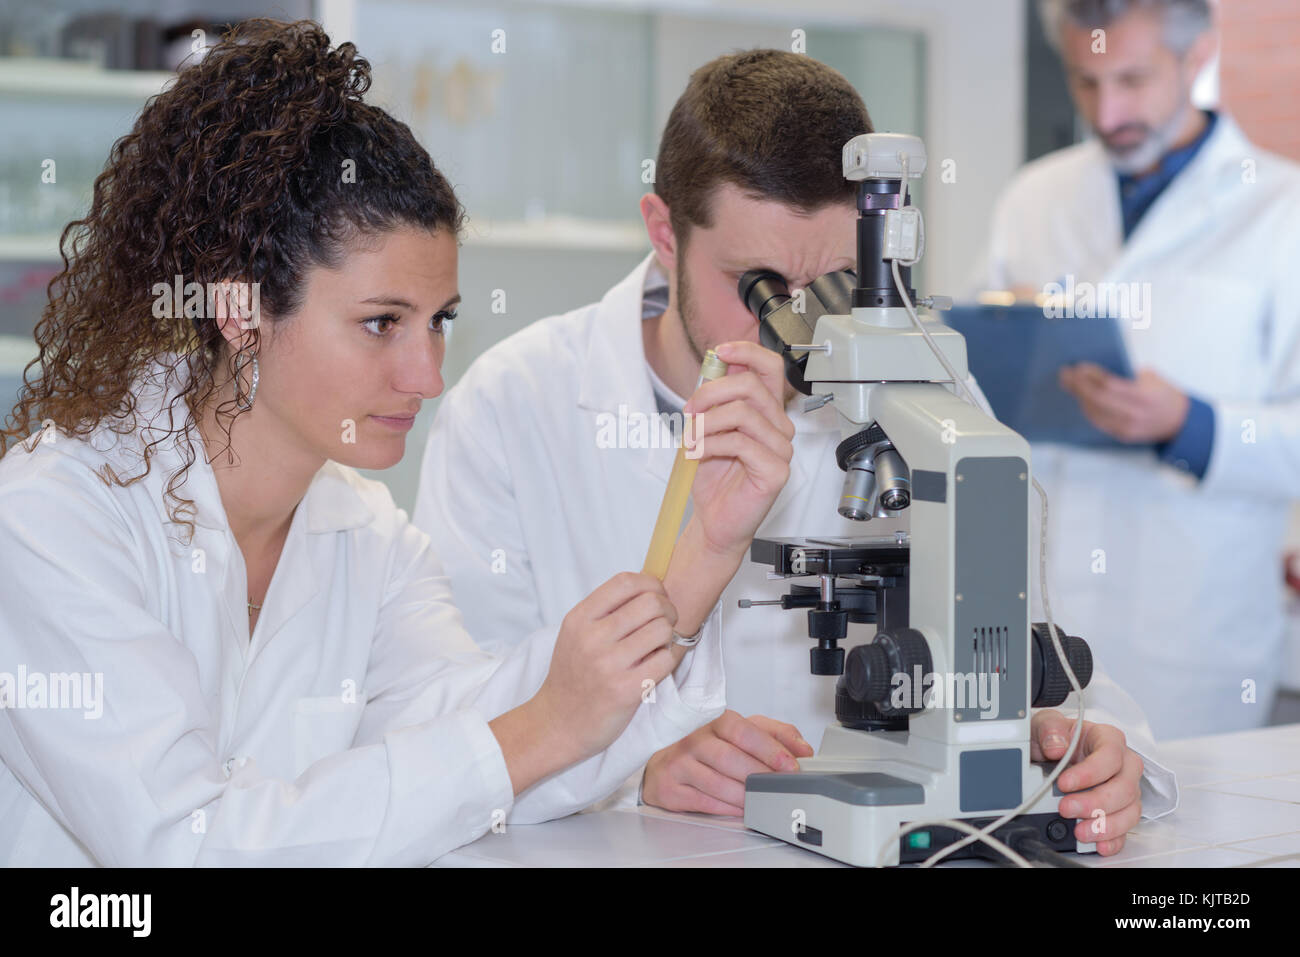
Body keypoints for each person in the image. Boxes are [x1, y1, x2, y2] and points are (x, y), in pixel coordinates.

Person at [0, 21, 794, 866]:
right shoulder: (54, 517)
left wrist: (702, 554)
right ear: (239, 312)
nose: (428, 375)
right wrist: (542, 725)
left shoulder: (366, 536)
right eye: (381, 323)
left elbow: (486, 747)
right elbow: (186, 842)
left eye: (439, 322)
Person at [414, 49, 1177, 858]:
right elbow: (453, 724)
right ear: (664, 232)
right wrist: (631, 768)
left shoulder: (923, 390)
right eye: (762, 286)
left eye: (838, 284)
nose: (805, 330)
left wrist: (1094, 743)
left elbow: (1042, 640)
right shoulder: (511, 405)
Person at [977, 0, 1300, 738]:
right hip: (1044, 619)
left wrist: (1191, 425)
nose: (1109, 109)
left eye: (1131, 78)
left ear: (1199, 56)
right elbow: (966, 374)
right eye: (1085, 82)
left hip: (1191, 636)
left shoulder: (1284, 212)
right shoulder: (1035, 198)